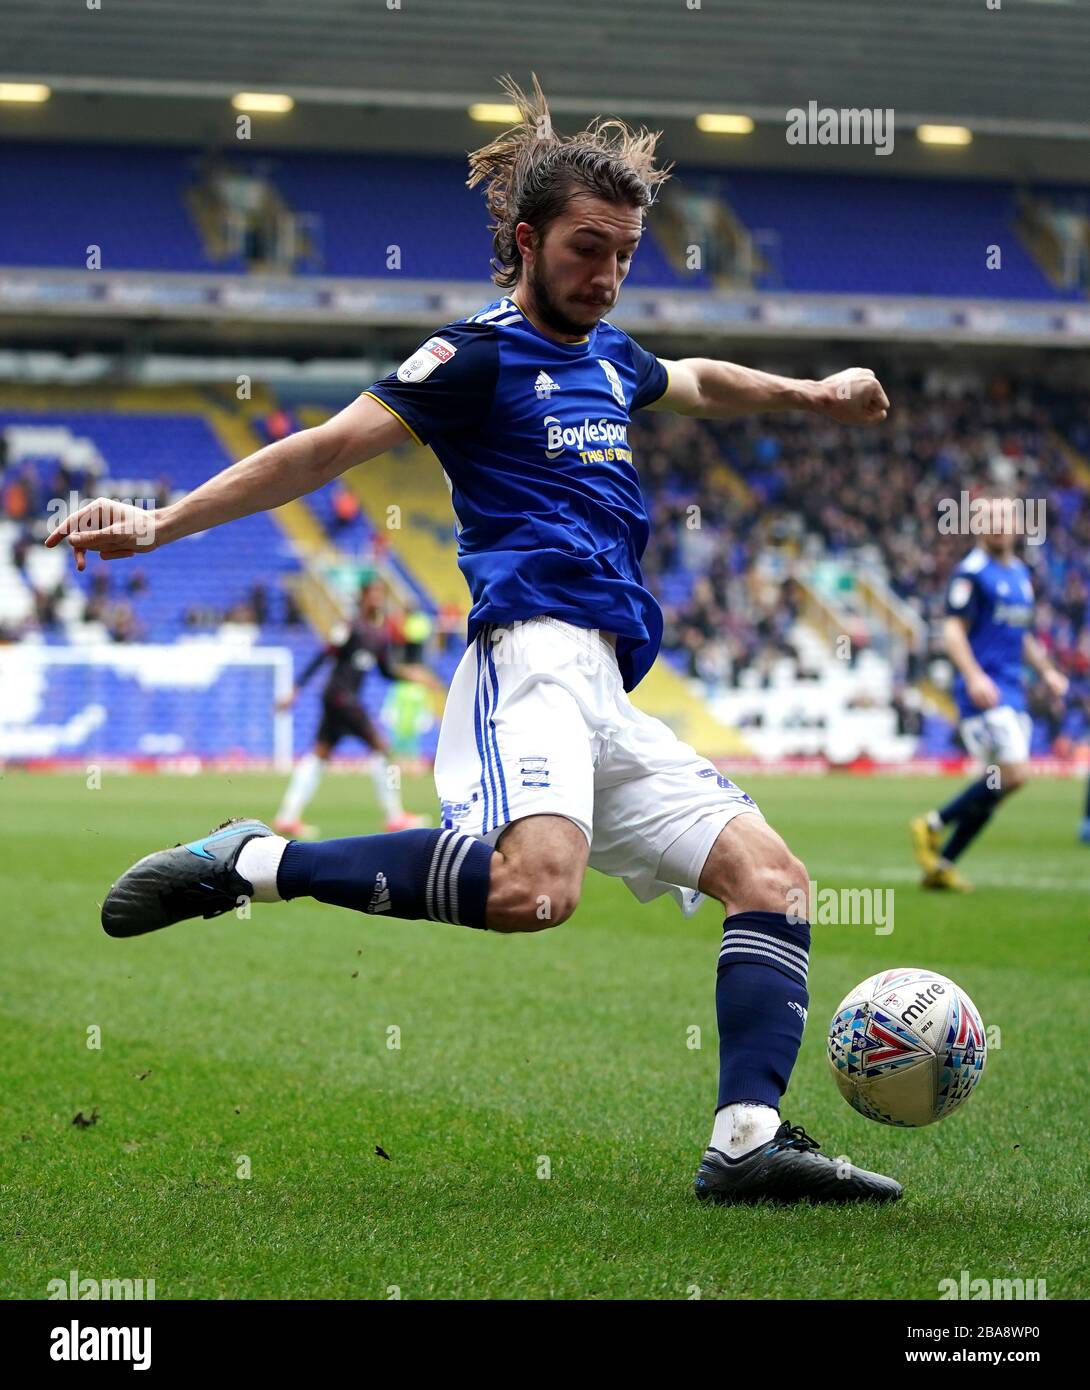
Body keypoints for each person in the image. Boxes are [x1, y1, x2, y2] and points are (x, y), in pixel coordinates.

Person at [47, 74, 898, 1205]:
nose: (605, 276)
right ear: (522, 239)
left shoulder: (613, 357)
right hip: (531, 654)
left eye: (626, 256)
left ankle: (746, 1138)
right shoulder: (473, 359)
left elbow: (695, 379)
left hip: (608, 679)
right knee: (535, 891)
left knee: (773, 878)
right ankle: (251, 860)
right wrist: (161, 519)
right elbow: (321, 448)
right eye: (587, 250)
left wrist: (816, 394)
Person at [910, 494, 1068, 890]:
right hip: (984, 693)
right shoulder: (972, 573)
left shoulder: (1019, 574)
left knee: (997, 785)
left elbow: (1023, 634)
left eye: (1004, 518)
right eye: (989, 518)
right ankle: (932, 824)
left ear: (1017, 524)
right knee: (1014, 774)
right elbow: (951, 630)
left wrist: (1047, 671)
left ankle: (942, 864)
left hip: (1013, 691)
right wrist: (975, 675)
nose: (998, 525)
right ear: (977, 525)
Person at [274, 580, 438, 835]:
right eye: (372, 593)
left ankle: (287, 817)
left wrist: (413, 675)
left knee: (319, 754)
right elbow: (323, 655)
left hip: (341, 699)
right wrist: (296, 688)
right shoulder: (349, 627)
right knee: (383, 749)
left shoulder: (379, 634)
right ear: (362, 598)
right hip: (340, 697)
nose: (377, 598)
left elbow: (386, 672)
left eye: (380, 594)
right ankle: (395, 816)